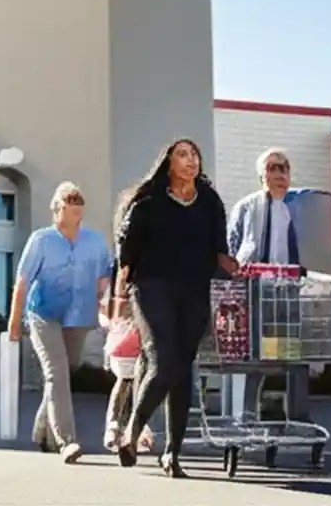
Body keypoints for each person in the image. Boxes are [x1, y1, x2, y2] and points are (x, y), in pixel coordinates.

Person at [113, 138, 238, 478]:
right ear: (168, 162)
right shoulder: (149, 203)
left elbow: (220, 251)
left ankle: (172, 453)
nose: (190, 160)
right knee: (164, 361)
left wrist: (239, 271)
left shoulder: (209, 201)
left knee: (183, 368)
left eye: (194, 154)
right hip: (152, 286)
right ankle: (132, 432)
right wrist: (117, 298)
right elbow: (126, 253)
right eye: (182, 154)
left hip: (194, 289)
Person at [7, 181, 112, 464]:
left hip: (79, 316)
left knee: (66, 372)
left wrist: (109, 310)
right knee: (56, 373)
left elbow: (104, 281)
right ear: (57, 210)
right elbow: (22, 282)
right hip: (44, 314)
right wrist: (14, 322)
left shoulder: (95, 242)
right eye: (68, 203)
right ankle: (68, 440)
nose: (75, 209)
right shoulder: (41, 240)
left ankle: (42, 433)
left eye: (78, 204)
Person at [226, 147, 312, 422]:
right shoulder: (247, 206)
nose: (279, 174)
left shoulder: (294, 208)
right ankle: (248, 414)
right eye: (272, 168)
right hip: (254, 292)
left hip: (285, 293)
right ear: (261, 175)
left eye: (284, 168)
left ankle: (293, 415)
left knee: (290, 354)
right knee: (254, 356)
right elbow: (231, 248)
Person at [99, 270, 154, 454]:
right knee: (133, 380)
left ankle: (119, 428)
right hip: (130, 334)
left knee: (130, 381)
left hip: (127, 334)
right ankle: (130, 429)